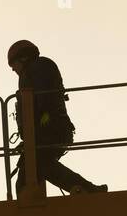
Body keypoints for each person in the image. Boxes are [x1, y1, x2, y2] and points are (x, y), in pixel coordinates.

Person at [7, 39, 107, 197]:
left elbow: (43, 102)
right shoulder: (37, 69)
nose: (13, 70)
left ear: (23, 58)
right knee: (34, 169)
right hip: (45, 131)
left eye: (13, 65)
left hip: (52, 130)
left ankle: (85, 189)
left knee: (37, 166)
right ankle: (85, 189)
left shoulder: (39, 67)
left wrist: (35, 132)